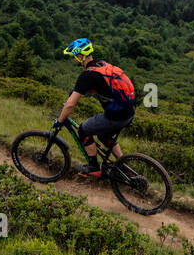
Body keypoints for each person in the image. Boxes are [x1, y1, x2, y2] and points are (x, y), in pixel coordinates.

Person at [54, 38, 136, 179]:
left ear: (80, 56)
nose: (73, 60)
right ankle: (124, 166)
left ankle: (93, 167)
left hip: (115, 117)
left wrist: (60, 121)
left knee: (83, 130)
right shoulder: (102, 65)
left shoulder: (87, 75)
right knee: (104, 135)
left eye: (74, 57)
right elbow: (94, 88)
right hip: (128, 113)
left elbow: (70, 105)